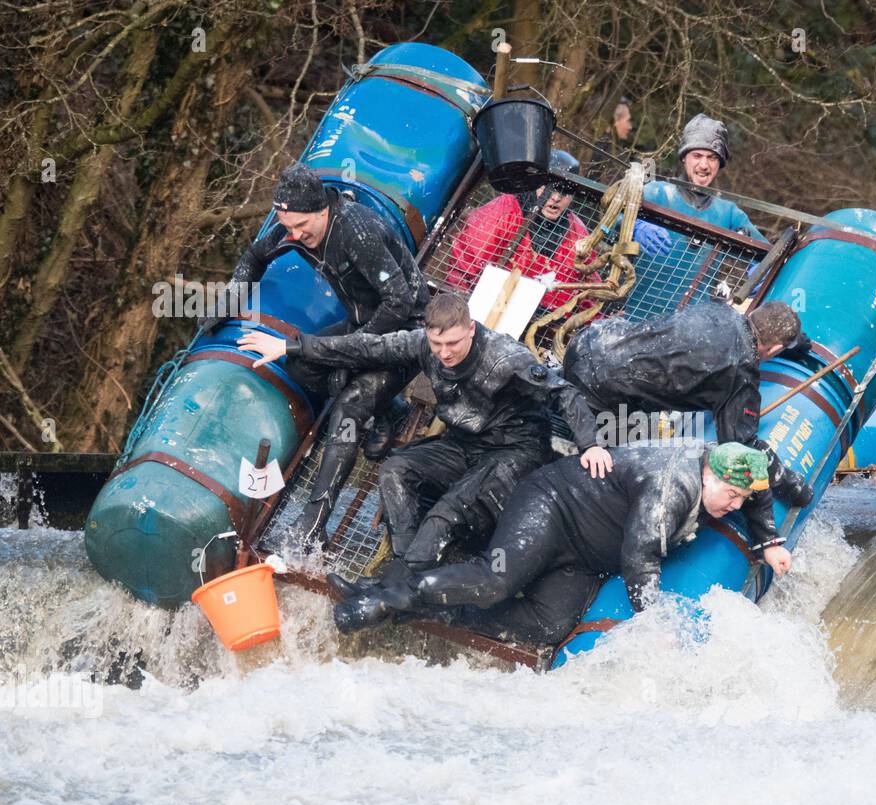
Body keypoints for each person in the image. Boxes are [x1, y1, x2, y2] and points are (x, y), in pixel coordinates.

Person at [237, 293, 612, 576]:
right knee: (394, 470)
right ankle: (404, 565)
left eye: (453, 344)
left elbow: (563, 392)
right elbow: (369, 347)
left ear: (470, 329)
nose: (444, 354)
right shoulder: (423, 345)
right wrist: (293, 345)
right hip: (465, 443)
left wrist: (591, 444)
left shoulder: (505, 358)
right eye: (437, 345)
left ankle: (406, 583)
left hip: (515, 450)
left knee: (449, 509)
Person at [331, 442, 794, 644]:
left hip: (586, 554)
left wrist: (769, 540)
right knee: (496, 581)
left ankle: (436, 611)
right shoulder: (672, 488)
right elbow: (640, 558)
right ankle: (390, 597)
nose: (733, 505)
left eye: (739, 498)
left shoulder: (721, 465)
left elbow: (759, 489)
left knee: (548, 625)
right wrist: (655, 622)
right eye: (729, 495)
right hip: (553, 506)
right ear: (708, 473)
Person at [226, 163, 431, 542]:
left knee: (348, 408)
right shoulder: (294, 229)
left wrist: (356, 352)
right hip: (360, 324)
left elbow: (400, 300)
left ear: (322, 211)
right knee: (302, 366)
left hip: (405, 332)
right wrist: (229, 300)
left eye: (301, 225)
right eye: (288, 227)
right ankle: (391, 409)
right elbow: (254, 256)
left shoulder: (357, 231)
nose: (295, 235)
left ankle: (314, 522)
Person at [562, 299, 814, 506]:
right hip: (599, 392)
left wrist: (796, 344)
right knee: (623, 465)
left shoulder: (718, 309)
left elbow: (760, 330)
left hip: (591, 340)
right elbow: (740, 448)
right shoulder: (740, 374)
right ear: (775, 349)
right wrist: (793, 486)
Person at [618, 114, 765, 321]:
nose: (704, 165)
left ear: (720, 164)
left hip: (691, 327)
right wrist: (635, 227)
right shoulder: (656, 193)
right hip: (636, 314)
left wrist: (759, 275)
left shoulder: (729, 213)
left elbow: (768, 254)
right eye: (697, 155)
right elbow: (609, 219)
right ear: (684, 157)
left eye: (712, 158)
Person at [443, 150, 597, 314]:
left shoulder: (578, 234)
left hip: (544, 326)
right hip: (483, 308)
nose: (556, 197)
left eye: (565, 191)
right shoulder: (504, 210)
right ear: (535, 183)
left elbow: (589, 295)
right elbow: (463, 265)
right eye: (548, 187)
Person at [588, 98, 635, 182]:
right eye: (627, 121)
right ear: (616, 121)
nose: (630, 127)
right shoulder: (607, 148)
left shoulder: (610, 146)